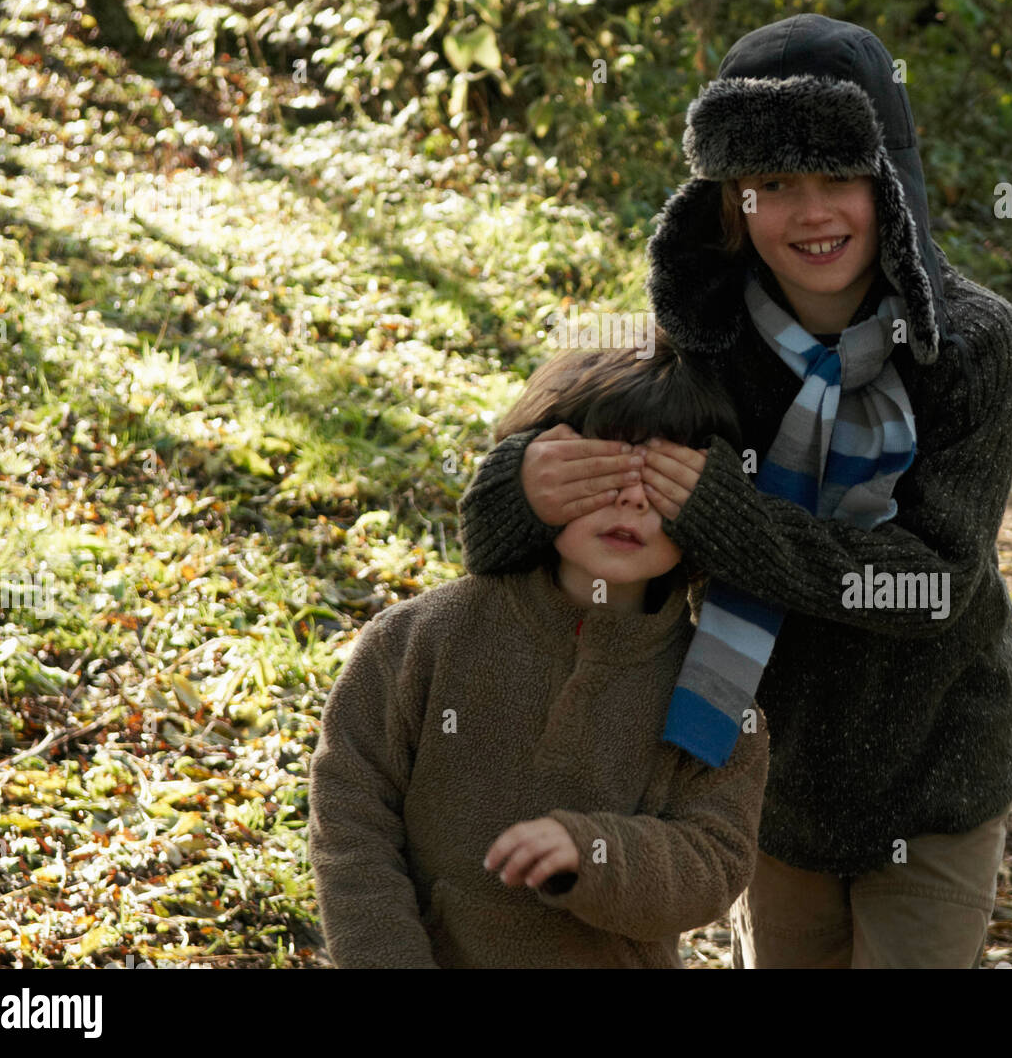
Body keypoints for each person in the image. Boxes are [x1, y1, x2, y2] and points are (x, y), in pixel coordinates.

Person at [459, 13, 1012, 968]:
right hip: (755, 760)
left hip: (935, 765)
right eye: (773, 185)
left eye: (838, 178)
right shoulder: (698, 340)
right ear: (730, 199)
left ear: (889, 183)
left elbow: (933, 584)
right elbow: (496, 534)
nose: (812, 214)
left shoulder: (970, 346)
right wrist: (521, 481)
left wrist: (730, 518)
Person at [309, 333, 769, 968]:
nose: (632, 499)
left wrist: (595, 851)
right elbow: (352, 820)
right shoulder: (416, 639)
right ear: (535, 469)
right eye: (604, 468)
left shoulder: (716, 686)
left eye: (663, 479)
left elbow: (713, 862)